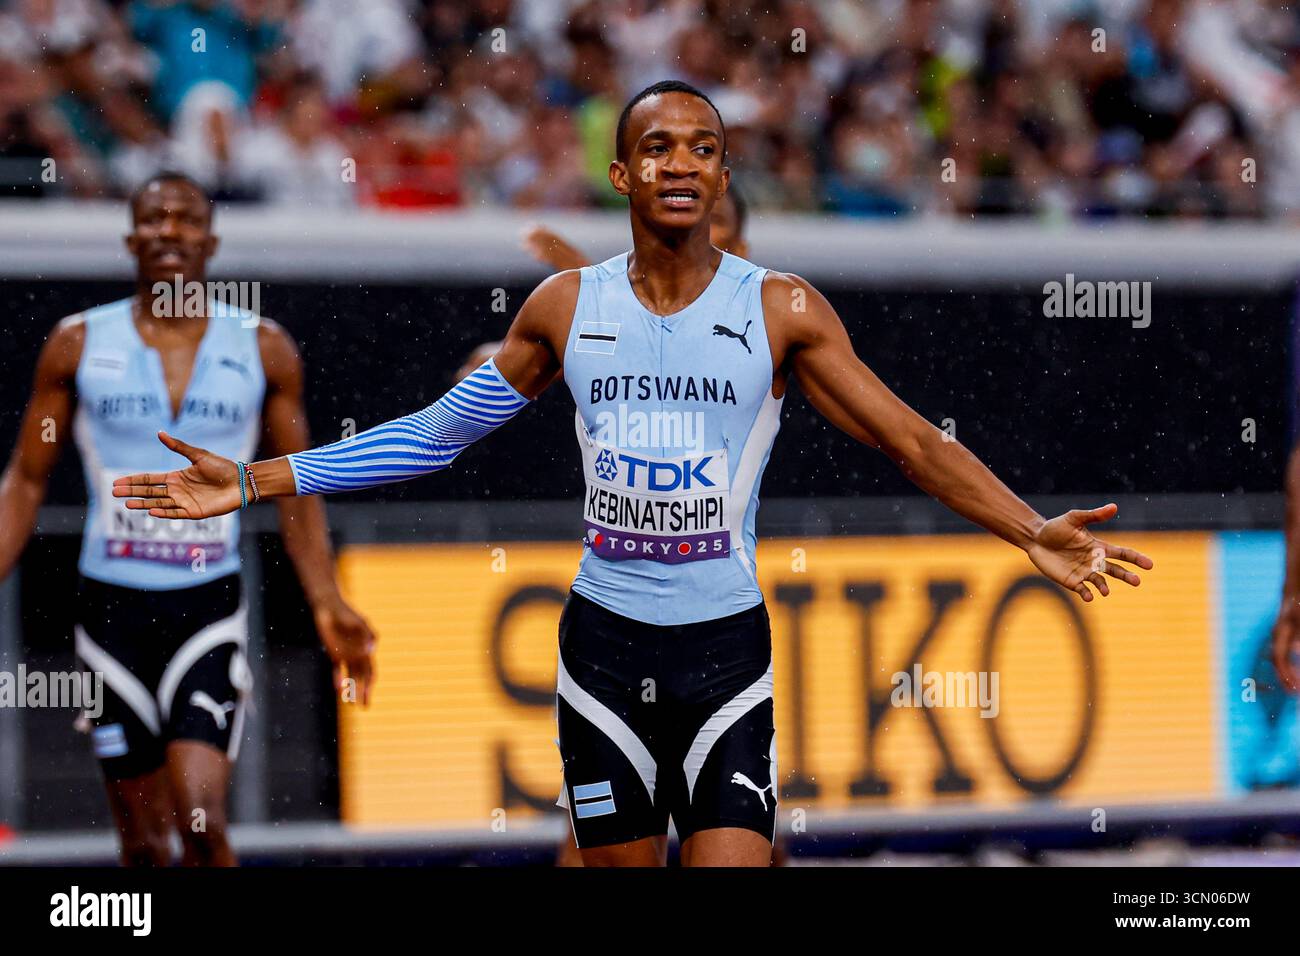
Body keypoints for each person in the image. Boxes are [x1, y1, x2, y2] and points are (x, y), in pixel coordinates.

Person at [111, 82, 1154, 867]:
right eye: (656, 146)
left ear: (724, 177)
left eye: (704, 148)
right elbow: (434, 435)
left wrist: (1026, 528)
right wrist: (256, 480)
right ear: (621, 174)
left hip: (725, 655)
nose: (681, 162)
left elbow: (913, 441)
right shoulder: (566, 308)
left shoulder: (780, 308)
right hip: (602, 654)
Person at [0, 171, 375, 866]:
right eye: (153, 218)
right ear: (130, 239)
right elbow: (25, 478)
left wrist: (326, 599)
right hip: (108, 616)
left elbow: (297, 487)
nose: (169, 230)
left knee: (201, 822)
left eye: (185, 218)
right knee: (143, 845)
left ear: (211, 239)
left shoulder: (263, 346)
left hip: (207, 611)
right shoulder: (76, 343)